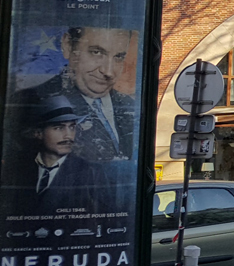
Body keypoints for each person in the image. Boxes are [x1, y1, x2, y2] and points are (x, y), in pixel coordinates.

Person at [16, 26, 138, 164]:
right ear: (68, 45)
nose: (108, 71)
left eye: (119, 57)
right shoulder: (32, 101)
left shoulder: (131, 105)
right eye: (96, 52)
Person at [3, 96, 108, 219]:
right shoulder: (18, 170)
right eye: (58, 128)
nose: (68, 136)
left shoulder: (91, 172)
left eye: (72, 127)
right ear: (38, 133)